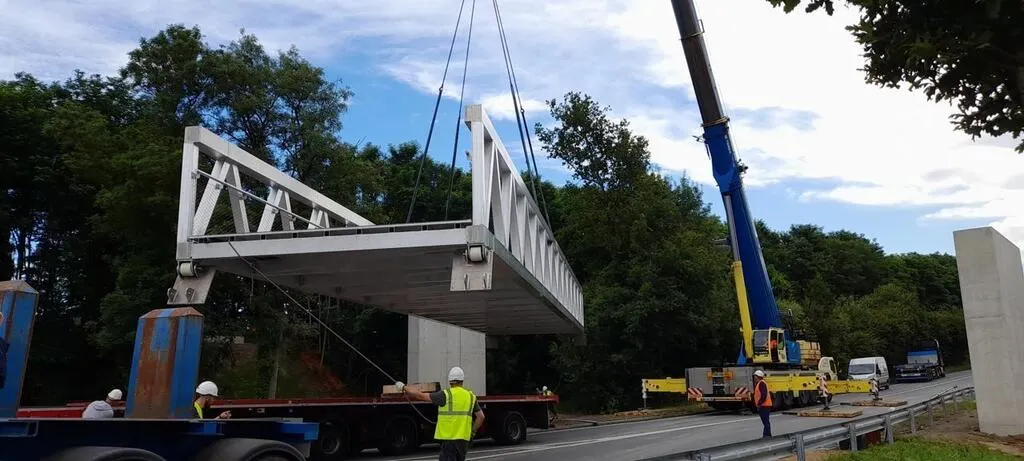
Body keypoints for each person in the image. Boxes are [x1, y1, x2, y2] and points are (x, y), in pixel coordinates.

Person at [397, 366, 485, 461]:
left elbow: (420, 396)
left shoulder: (445, 395)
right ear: (462, 380)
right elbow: (481, 417)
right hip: (463, 442)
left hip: (449, 441)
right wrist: (472, 432)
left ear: (450, 381)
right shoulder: (470, 396)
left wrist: (403, 387)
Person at [752, 370, 773, 438]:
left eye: (755, 376)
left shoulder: (761, 383)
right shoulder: (760, 383)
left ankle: (766, 435)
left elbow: (763, 395)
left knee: (766, 421)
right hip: (764, 405)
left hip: (764, 405)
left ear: (758, 377)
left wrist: (759, 404)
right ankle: (768, 435)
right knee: (765, 421)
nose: (754, 378)